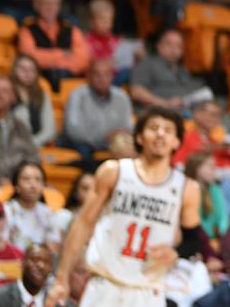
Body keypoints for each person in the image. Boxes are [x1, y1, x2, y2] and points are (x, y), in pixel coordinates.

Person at [45, 109, 205, 307]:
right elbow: (83, 223)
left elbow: (193, 240)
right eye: (154, 127)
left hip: (148, 290)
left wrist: (176, 252)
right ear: (139, 137)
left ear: (177, 142)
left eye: (168, 130)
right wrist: (61, 277)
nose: (160, 134)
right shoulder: (114, 172)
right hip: (105, 284)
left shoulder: (187, 188)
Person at [61, 59, 134, 166]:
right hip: (82, 144)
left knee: (130, 148)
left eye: (106, 74)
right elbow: (73, 130)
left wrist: (116, 137)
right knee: (84, 150)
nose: (102, 79)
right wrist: (105, 137)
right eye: (97, 74)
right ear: (88, 76)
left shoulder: (122, 97)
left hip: (113, 144)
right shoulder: (77, 96)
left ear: (112, 76)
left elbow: (128, 127)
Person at [16, 0, 89, 88]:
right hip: (38, 83)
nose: (51, 7)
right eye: (46, 2)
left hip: (69, 81)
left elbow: (82, 59)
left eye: (55, 3)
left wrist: (49, 59)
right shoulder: (26, 30)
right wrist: (62, 54)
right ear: (36, 5)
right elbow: (29, 59)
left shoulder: (72, 29)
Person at [129, 30, 212, 114]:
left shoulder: (183, 70)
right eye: (169, 44)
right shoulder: (147, 64)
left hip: (185, 114)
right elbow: (137, 92)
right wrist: (164, 104)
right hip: (157, 114)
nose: (174, 49)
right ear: (159, 46)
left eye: (178, 46)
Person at [4, 162, 60, 251]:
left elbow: (53, 245)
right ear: (16, 186)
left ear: (43, 186)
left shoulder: (47, 213)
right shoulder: (6, 211)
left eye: (38, 180)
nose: (33, 185)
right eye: (26, 179)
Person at [8, 56, 57, 148]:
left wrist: (32, 143)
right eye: (23, 69)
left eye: (32, 70)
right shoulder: (5, 92)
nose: (27, 73)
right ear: (14, 70)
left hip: (35, 146)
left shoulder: (42, 95)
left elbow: (49, 129)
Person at [0, 243, 51, 307]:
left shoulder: (53, 302)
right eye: (35, 259)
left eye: (47, 262)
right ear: (22, 263)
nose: (41, 266)